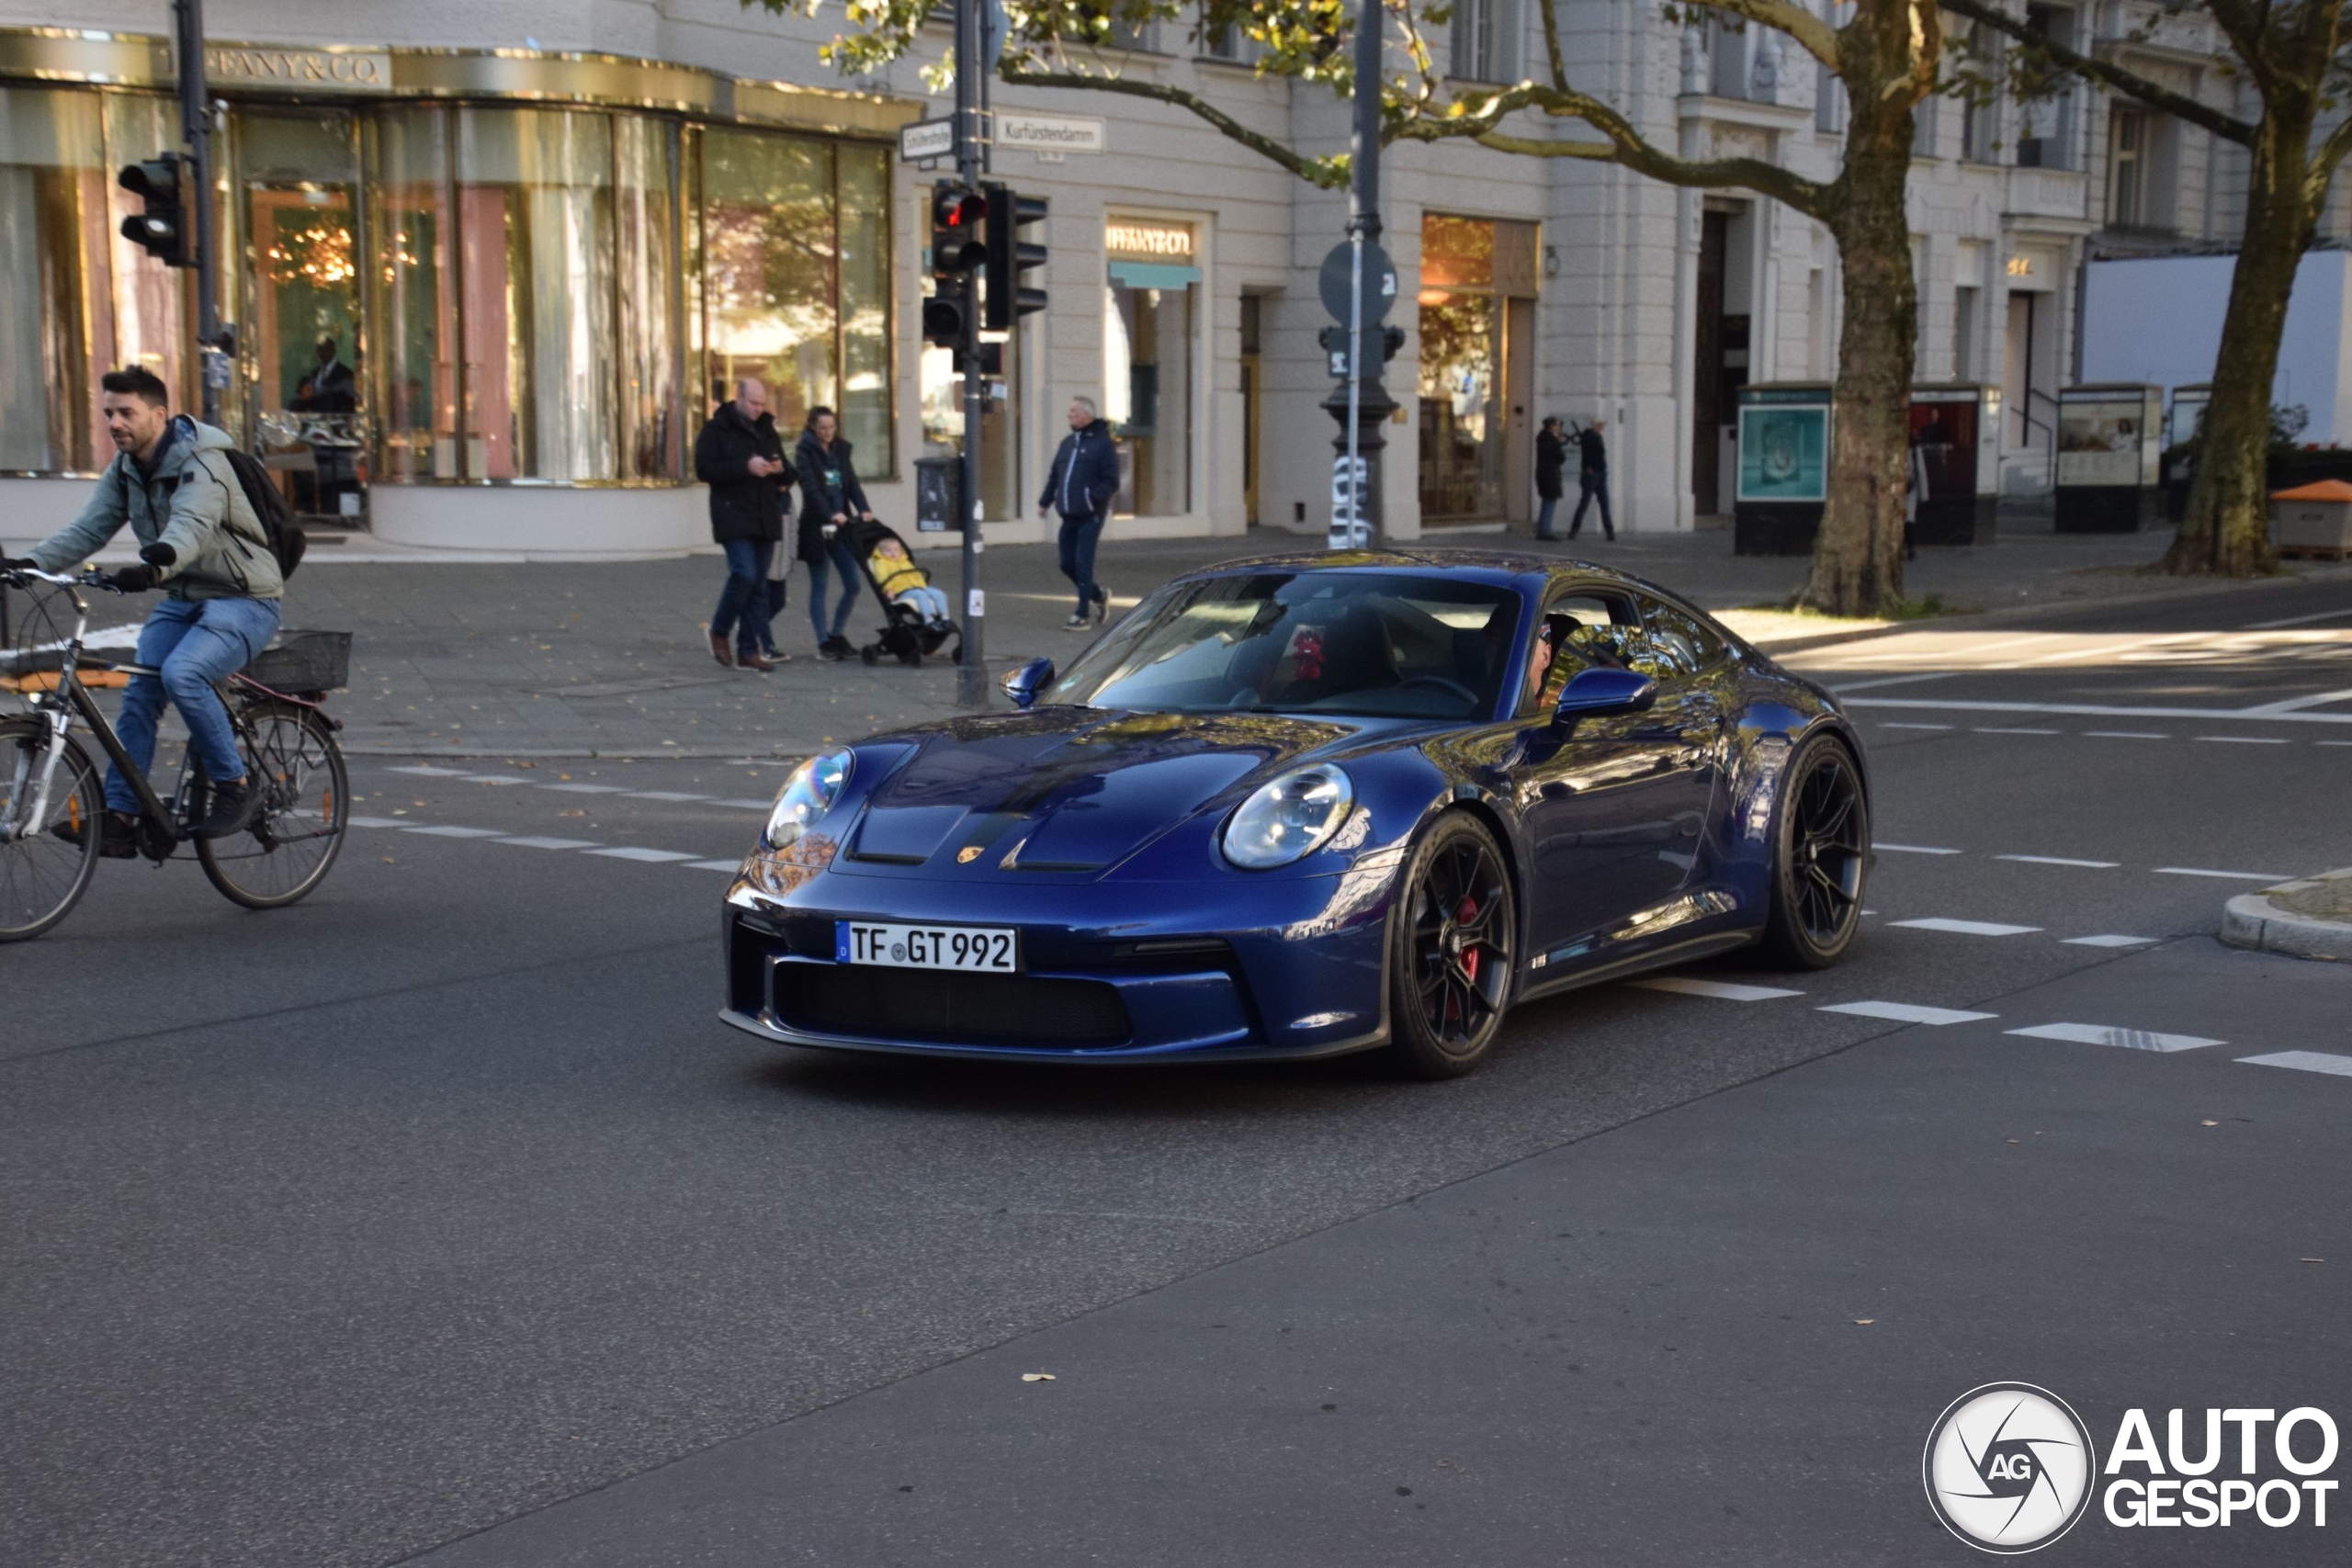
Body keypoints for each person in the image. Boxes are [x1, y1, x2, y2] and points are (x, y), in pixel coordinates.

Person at [0, 366, 283, 856]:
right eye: (108, 412)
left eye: (125, 412)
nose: (114, 422)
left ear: (158, 414)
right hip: (183, 600)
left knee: (184, 673)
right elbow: (88, 529)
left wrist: (154, 565)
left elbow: (191, 526)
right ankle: (122, 816)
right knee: (140, 693)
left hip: (245, 600)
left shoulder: (204, 461)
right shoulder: (127, 467)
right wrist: (29, 565)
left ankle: (236, 785)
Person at [693, 378, 792, 671]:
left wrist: (779, 469)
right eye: (753, 403)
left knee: (759, 586)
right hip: (732, 513)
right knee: (744, 573)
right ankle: (719, 630)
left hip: (765, 515)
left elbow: (787, 472)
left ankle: (749, 650)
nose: (758, 409)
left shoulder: (767, 428)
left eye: (762, 404)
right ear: (739, 397)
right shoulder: (716, 429)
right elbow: (704, 469)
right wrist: (745, 467)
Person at [795, 406, 874, 660]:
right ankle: (823, 643)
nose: (828, 433)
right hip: (816, 527)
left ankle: (836, 634)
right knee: (820, 584)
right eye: (822, 429)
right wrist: (830, 513)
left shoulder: (840, 450)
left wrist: (863, 509)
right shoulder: (804, 451)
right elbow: (811, 489)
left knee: (853, 584)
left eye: (831, 427)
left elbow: (851, 483)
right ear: (812, 428)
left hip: (842, 528)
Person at [1037, 395, 1121, 629]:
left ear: (1087, 415)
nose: (1069, 415)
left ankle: (1081, 614)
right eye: (1070, 412)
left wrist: (1090, 498)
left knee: (1083, 564)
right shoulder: (1068, 443)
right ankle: (1098, 595)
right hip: (1069, 515)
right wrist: (1045, 502)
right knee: (1067, 564)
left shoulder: (1102, 444)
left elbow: (1111, 481)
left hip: (1090, 515)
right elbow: (1055, 476)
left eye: (1074, 412)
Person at [864, 535, 952, 625]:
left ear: (901, 551)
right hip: (900, 591)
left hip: (917, 587)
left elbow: (916, 575)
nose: (893, 553)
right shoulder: (882, 563)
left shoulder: (904, 561)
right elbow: (882, 577)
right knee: (920, 595)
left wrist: (922, 585)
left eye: (896, 550)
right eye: (888, 551)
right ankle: (928, 618)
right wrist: (888, 589)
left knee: (938, 593)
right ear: (881, 552)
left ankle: (944, 616)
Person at [1570, 417, 1614, 540]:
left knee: (1604, 503)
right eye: (1602, 424)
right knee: (1585, 503)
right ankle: (1574, 529)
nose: (1603, 427)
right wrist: (1588, 467)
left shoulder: (1597, 436)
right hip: (1592, 473)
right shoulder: (1589, 436)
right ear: (1597, 425)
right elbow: (1587, 454)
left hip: (1600, 472)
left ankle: (1609, 531)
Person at [293, 336, 356, 414]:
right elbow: (306, 401)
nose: (323, 352)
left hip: (338, 422)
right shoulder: (313, 374)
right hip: (316, 422)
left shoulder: (345, 374)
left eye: (327, 349)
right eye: (320, 349)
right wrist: (303, 398)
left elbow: (350, 403)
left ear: (333, 350)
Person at [1534, 416, 1567, 540]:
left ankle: (1543, 529)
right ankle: (1545, 531)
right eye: (1557, 425)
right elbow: (1560, 457)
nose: (1559, 428)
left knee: (1546, 502)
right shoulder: (1550, 439)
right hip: (1550, 475)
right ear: (1552, 426)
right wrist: (1557, 441)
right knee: (1549, 502)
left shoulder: (1542, 437)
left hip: (1544, 474)